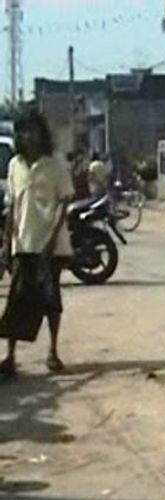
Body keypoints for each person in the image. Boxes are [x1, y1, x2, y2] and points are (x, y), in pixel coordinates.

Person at [0, 111, 75, 378]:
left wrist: (52, 240)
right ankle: (10, 357)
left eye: (32, 130)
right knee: (17, 300)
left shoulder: (55, 164)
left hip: (51, 247)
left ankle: (53, 352)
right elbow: (12, 206)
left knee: (50, 300)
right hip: (23, 242)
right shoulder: (14, 165)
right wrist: (6, 241)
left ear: (41, 133)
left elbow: (64, 202)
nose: (27, 136)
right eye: (23, 131)